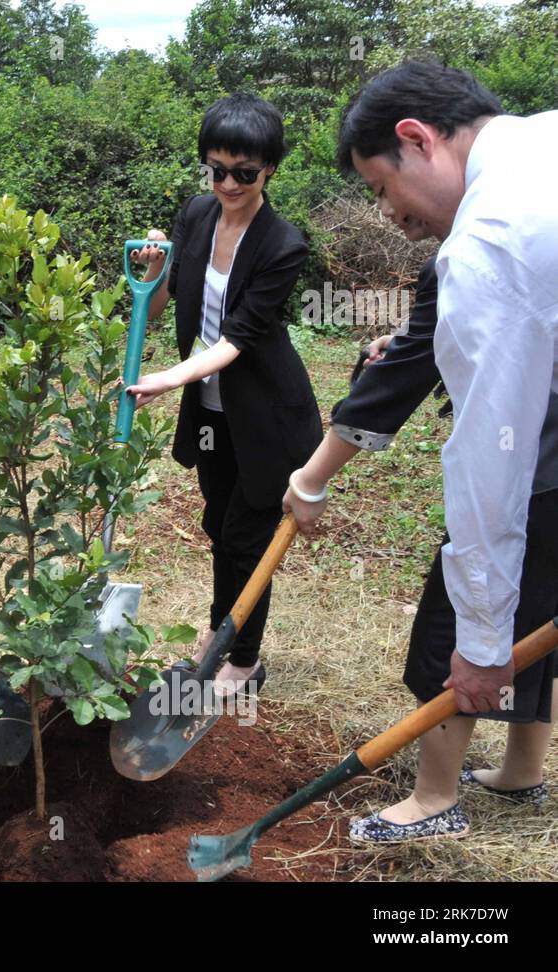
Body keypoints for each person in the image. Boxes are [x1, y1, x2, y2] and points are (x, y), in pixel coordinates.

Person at [302, 62, 558, 841]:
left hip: (544, 467)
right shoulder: (544, 141)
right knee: (538, 605)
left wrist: (480, 647)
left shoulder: (489, 237)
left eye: (382, 189)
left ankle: (433, 803)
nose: (391, 215)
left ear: (416, 139)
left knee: (471, 622)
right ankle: (521, 772)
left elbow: (490, 457)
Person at [126, 93, 322, 696]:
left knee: (248, 534)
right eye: (216, 169)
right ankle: (221, 636)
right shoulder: (196, 215)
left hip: (267, 414)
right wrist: (156, 274)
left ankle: (245, 659)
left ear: (269, 170)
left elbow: (237, 339)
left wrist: (167, 378)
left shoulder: (282, 244)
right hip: (210, 411)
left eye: (244, 172)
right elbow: (158, 308)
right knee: (219, 524)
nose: (228, 183)